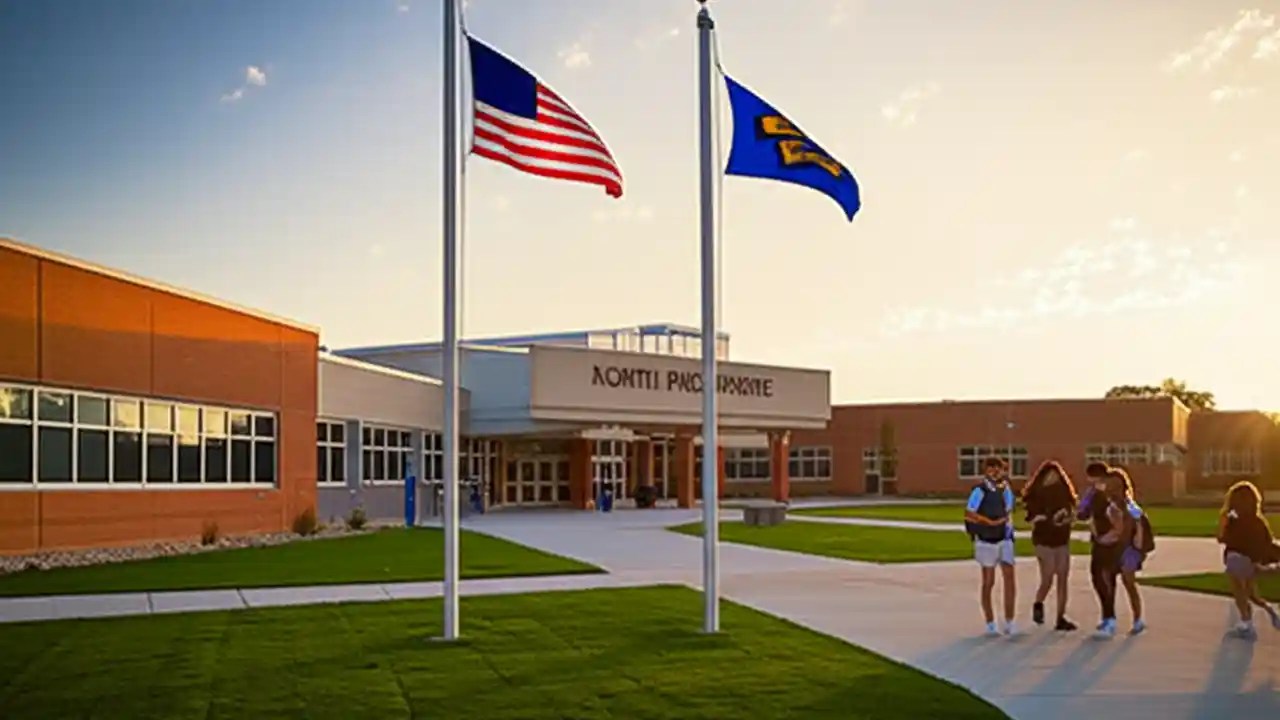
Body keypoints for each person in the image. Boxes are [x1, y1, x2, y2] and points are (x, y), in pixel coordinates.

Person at [1218, 480, 1280, 639]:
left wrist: (1223, 523)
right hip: (1250, 561)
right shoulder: (1258, 521)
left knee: (1239, 592)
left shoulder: (1232, 518)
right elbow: (1267, 541)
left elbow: (1222, 537)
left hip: (1235, 558)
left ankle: (1246, 623)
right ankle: (1269, 610)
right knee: (1251, 594)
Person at [1022, 460, 1079, 631]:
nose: (1052, 480)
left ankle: (1061, 617)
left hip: (1061, 538)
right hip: (1043, 538)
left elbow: (1072, 514)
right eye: (1049, 476)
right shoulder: (1036, 495)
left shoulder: (1064, 494)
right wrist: (1039, 518)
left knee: (1063, 577)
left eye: (1056, 476)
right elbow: (1030, 517)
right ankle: (1038, 603)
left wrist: (1067, 518)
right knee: (1048, 576)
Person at [965, 456, 1017, 636]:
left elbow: (1009, 511)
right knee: (988, 581)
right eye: (991, 468)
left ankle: (1010, 620)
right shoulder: (979, 491)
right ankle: (990, 621)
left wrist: (1006, 527)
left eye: (998, 468)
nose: (995, 471)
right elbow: (970, 513)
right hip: (987, 540)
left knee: (1010, 578)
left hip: (1005, 538)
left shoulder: (1006, 490)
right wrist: (990, 522)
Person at [1087, 471, 1128, 638]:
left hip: (1110, 546)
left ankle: (1110, 618)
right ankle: (1107, 615)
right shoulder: (1103, 499)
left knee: (1105, 579)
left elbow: (1119, 527)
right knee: (1099, 578)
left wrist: (1106, 538)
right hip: (1101, 543)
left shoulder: (1118, 504)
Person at [1109, 467, 1149, 635]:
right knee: (1109, 583)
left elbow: (1139, 526)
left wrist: (1138, 544)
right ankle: (1108, 617)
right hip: (1113, 547)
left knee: (1128, 581)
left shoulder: (1130, 507)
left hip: (1129, 549)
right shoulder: (1108, 505)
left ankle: (1138, 618)